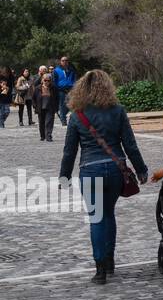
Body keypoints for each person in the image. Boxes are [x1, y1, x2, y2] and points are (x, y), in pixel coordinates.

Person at [58, 70, 149, 284]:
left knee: (97, 218)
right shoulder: (117, 111)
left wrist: (64, 176)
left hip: (90, 170)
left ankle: (100, 269)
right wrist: (141, 169)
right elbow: (130, 144)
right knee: (109, 214)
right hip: (116, 169)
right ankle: (110, 260)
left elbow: (69, 151)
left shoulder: (77, 115)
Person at [54, 56, 77, 126]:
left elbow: (74, 79)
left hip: (70, 90)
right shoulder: (56, 70)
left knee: (71, 105)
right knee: (62, 106)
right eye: (63, 60)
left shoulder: (71, 69)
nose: (65, 62)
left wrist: (73, 86)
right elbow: (54, 81)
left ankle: (66, 117)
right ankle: (63, 121)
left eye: (66, 60)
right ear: (60, 62)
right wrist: (57, 88)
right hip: (61, 90)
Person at [35, 71, 58, 141]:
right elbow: (34, 98)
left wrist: (56, 108)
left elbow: (57, 98)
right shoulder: (38, 88)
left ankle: (48, 136)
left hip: (50, 108)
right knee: (41, 122)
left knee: (49, 122)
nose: (46, 82)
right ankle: (42, 136)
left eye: (48, 80)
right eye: (45, 80)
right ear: (42, 80)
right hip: (40, 108)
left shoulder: (54, 88)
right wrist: (35, 106)